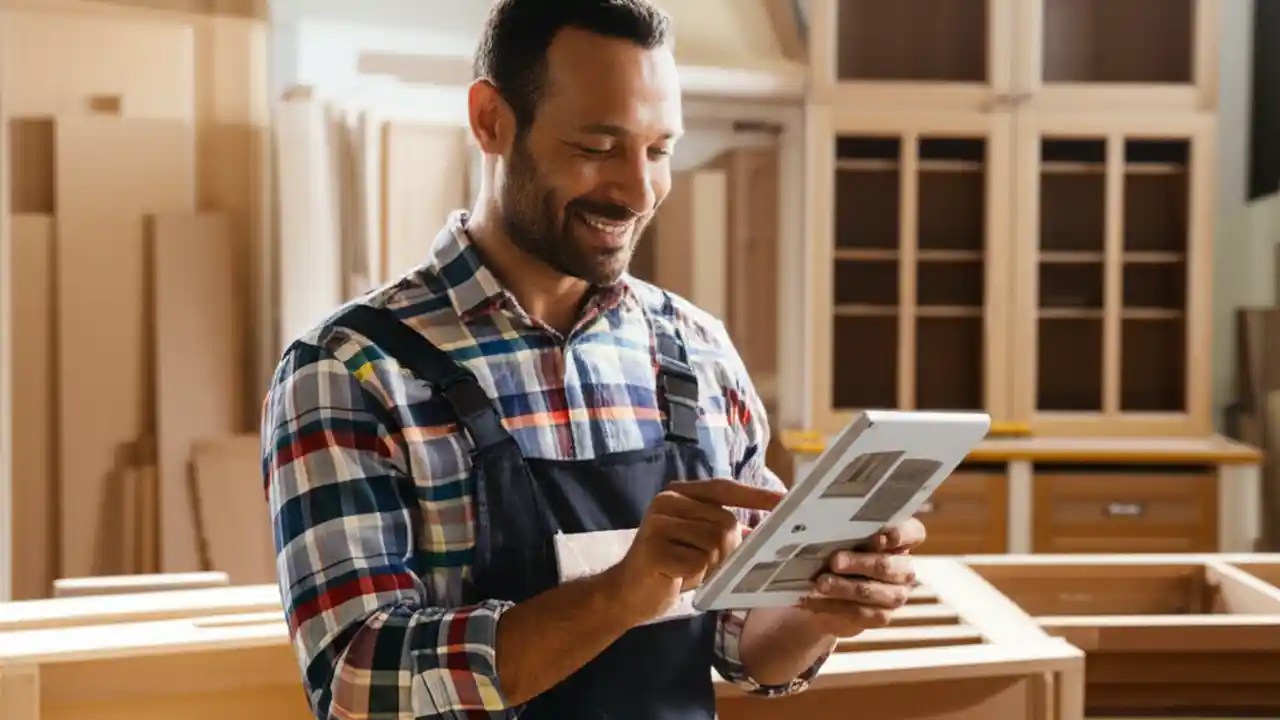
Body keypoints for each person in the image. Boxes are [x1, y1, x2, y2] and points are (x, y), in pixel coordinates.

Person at [261, 1, 925, 717]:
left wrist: (819, 610)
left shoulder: (694, 352)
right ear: (491, 120)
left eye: (659, 149)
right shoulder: (352, 372)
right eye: (596, 147)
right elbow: (358, 684)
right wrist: (619, 595)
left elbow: (737, 640)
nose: (639, 191)